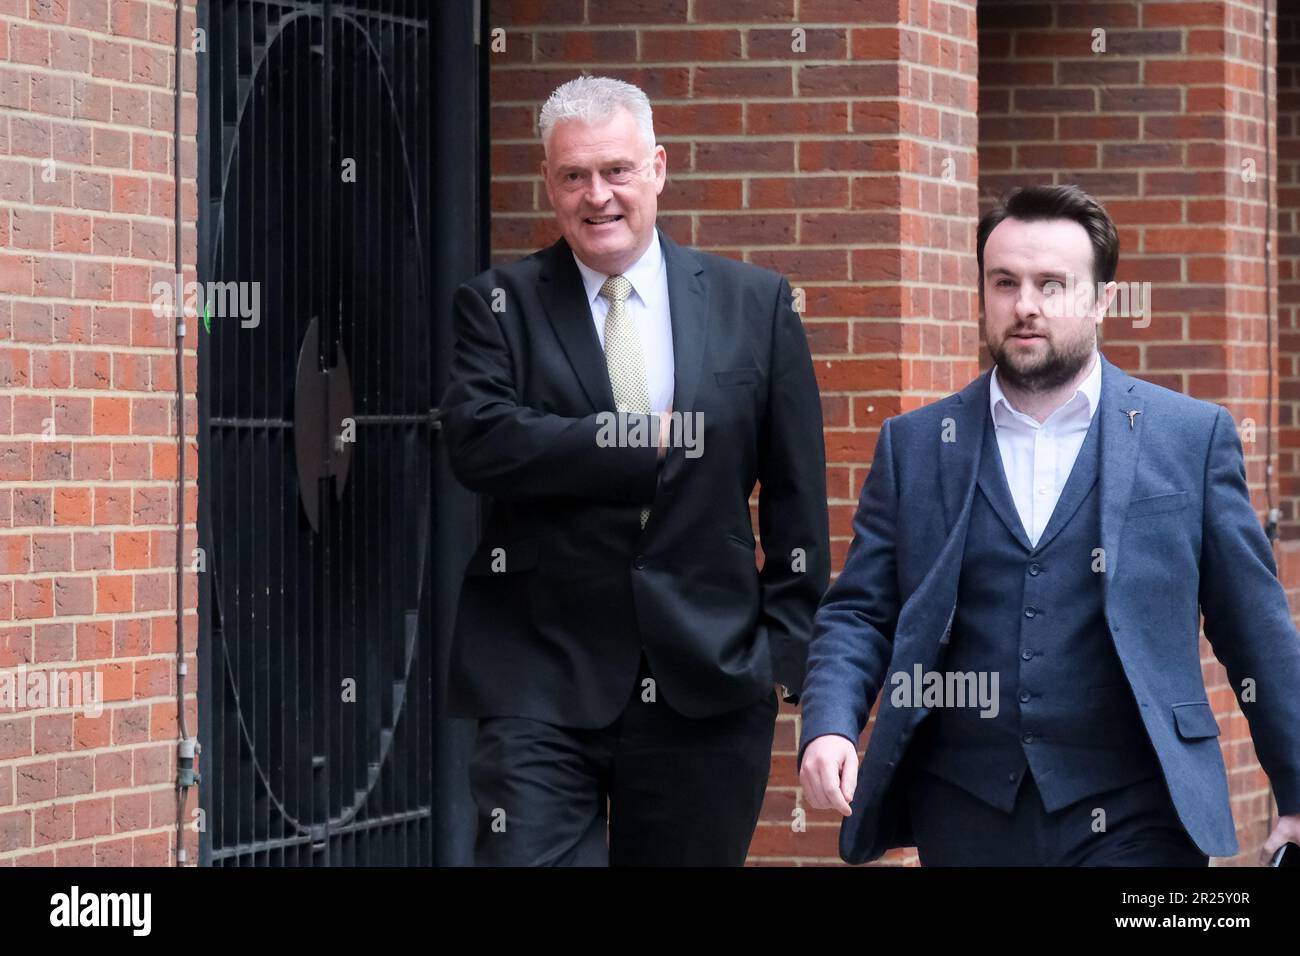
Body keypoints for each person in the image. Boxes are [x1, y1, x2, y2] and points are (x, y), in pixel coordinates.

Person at [799, 183, 1300, 866]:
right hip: (967, 808)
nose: (1025, 305)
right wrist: (828, 726)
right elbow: (860, 611)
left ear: (1102, 301)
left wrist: (1295, 789)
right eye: (1004, 283)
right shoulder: (916, 444)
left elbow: (1253, 626)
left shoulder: (1190, 437)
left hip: (1137, 809)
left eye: (1051, 284)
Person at [442, 76, 829, 865]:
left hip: (708, 678)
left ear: (657, 167)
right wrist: (626, 442)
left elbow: (797, 497)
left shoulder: (755, 306)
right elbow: (479, 442)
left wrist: (782, 657)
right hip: (538, 679)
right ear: (548, 183)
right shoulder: (496, 306)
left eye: (616, 170)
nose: (598, 196)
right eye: (574, 175)